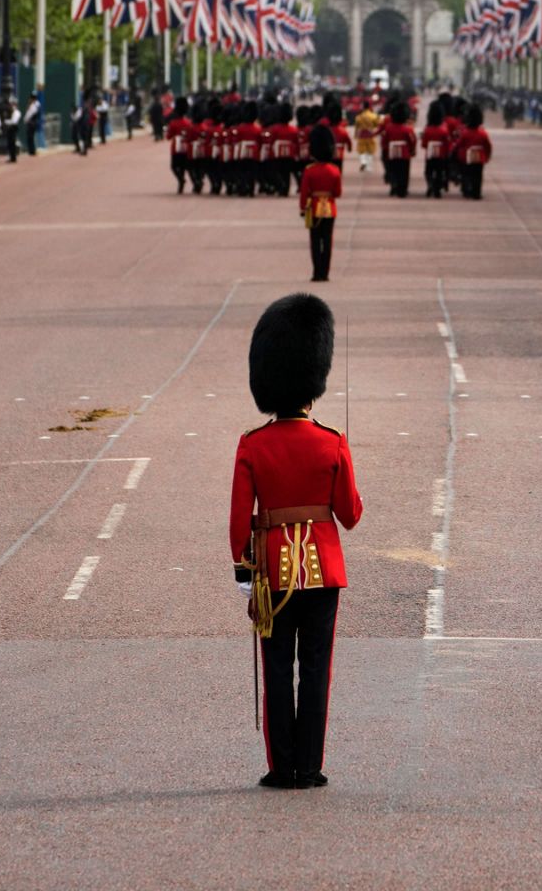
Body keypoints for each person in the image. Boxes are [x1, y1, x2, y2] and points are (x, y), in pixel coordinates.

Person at [229, 293, 362, 790]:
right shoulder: (333, 442)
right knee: (316, 670)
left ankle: (281, 768)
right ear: (314, 383)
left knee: (278, 667)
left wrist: (245, 577)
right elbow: (349, 515)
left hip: (271, 573)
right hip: (323, 570)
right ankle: (310, 766)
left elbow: (240, 521)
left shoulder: (253, 445)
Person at [299, 124, 341, 282]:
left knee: (315, 240)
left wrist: (303, 208)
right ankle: (325, 272)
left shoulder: (309, 170)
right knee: (328, 240)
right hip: (330, 207)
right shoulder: (334, 170)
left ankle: (317, 273)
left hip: (313, 207)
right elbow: (337, 193)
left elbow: (304, 193)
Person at [456, 104, 493, 199]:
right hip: (479, 156)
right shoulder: (483, 133)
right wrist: (487, 156)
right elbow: (487, 146)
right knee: (478, 176)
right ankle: (476, 193)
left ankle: (466, 190)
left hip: (467, 156)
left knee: (467, 174)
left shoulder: (465, 132)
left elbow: (459, 144)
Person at [381, 101, 417, 197]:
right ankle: (403, 189)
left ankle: (394, 186)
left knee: (393, 170)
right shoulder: (407, 129)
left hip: (392, 152)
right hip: (404, 153)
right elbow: (412, 141)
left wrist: (385, 150)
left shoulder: (388, 128)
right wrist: (412, 150)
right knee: (404, 172)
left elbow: (384, 141)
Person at [421, 101, 449, 198]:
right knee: (439, 172)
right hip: (441, 154)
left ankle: (430, 185)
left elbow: (424, 144)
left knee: (428, 171)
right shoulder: (443, 129)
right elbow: (447, 143)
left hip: (430, 153)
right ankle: (437, 189)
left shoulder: (427, 129)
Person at [354, 100, 380, 172]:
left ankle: (363, 162)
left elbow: (356, 127)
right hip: (370, 134)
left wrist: (355, 135)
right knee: (370, 150)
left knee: (361, 150)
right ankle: (368, 165)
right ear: (369, 107)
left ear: (363, 107)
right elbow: (377, 124)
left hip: (362, 135)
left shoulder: (358, 117)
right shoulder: (373, 116)